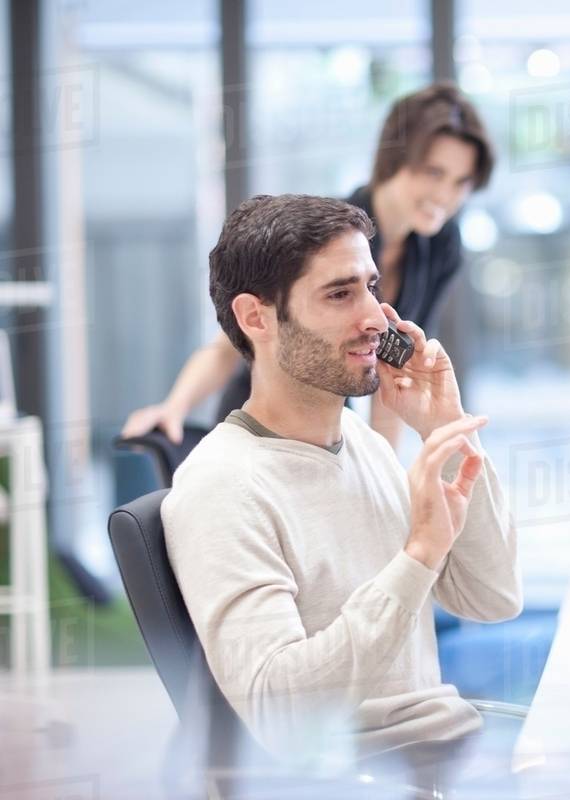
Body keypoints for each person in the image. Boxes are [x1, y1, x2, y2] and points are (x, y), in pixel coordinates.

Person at [162, 193, 521, 764]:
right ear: (256, 318)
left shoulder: (365, 447)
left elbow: (493, 597)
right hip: (375, 773)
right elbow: (283, 713)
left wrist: (446, 431)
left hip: (447, 748)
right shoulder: (222, 485)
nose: (377, 317)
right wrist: (419, 556)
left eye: (371, 288)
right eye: (340, 293)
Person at [122, 82, 494, 448]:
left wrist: (387, 478)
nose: (446, 195)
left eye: (461, 182)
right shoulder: (333, 234)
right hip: (268, 410)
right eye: (433, 172)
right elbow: (231, 341)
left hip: (328, 421)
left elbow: (394, 371)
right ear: (395, 159)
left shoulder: (442, 245)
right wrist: (175, 406)